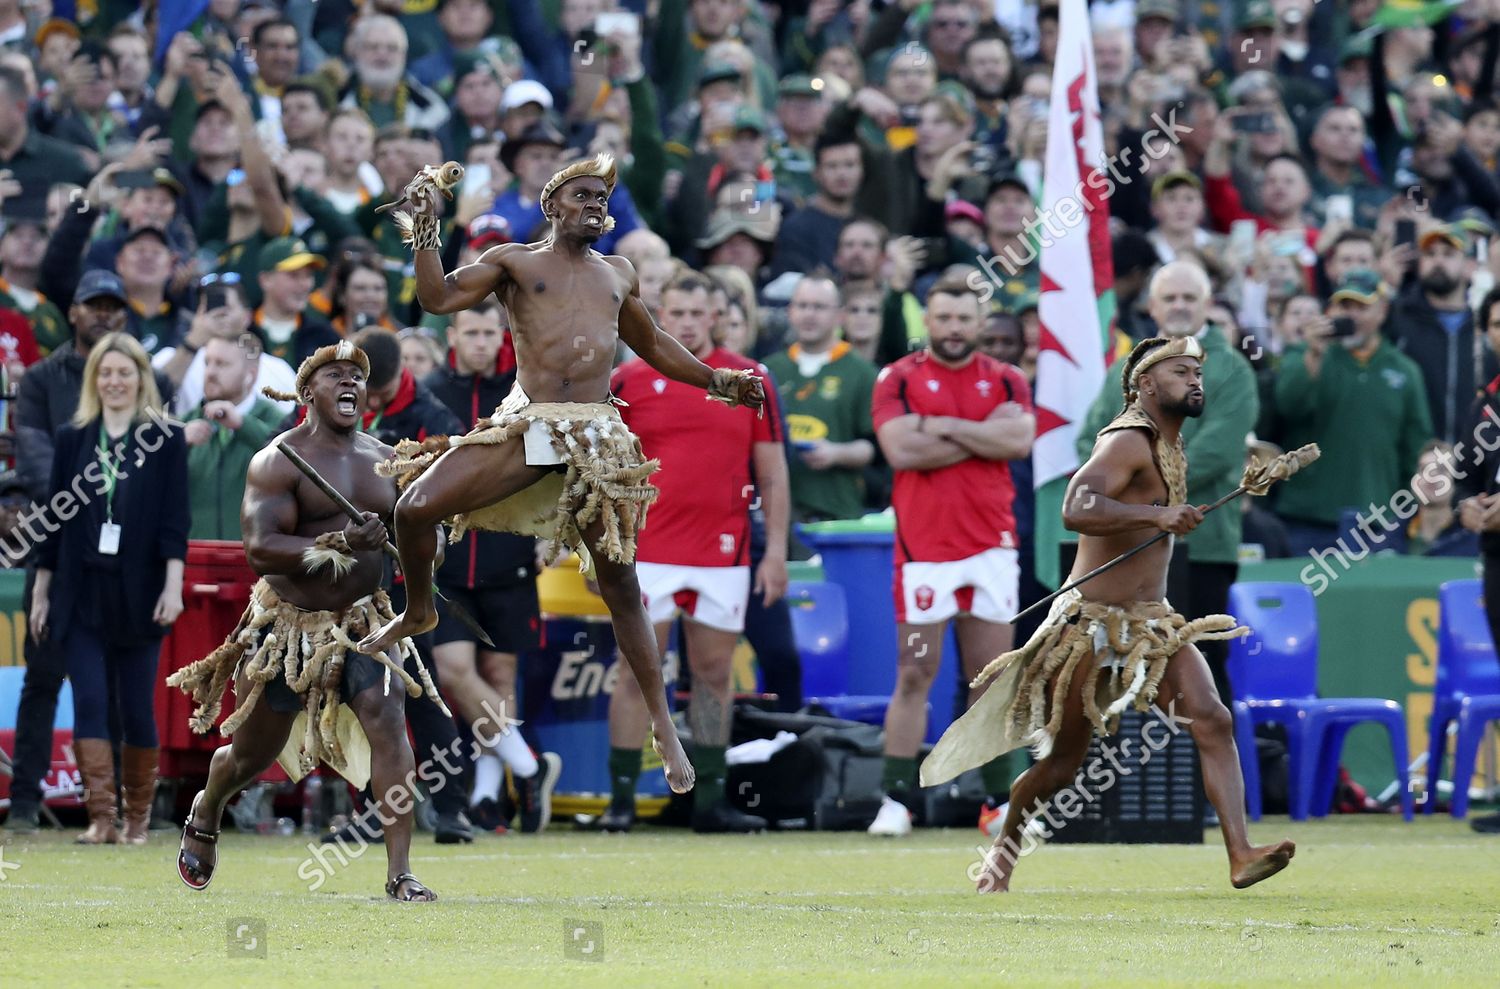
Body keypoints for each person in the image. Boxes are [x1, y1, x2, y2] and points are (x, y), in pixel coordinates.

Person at [354, 152, 765, 798]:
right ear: (550, 206)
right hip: (532, 422)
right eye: (581, 195)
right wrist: (427, 232)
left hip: (596, 429)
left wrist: (718, 381)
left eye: (602, 197)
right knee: (413, 508)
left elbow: (653, 344)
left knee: (621, 584)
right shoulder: (515, 262)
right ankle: (420, 610)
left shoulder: (619, 272)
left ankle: (663, 722)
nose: (595, 205)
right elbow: (435, 299)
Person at [922, 336, 1296, 893]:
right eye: (1179, 372)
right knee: (1062, 765)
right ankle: (1003, 853)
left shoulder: (1171, 443)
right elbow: (1076, 506)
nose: (1195, 380)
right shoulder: (1127, 440)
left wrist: (1163, 514)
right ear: (1146, 384)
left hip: (1153, 621)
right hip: (1089, 624)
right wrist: (1158, 513)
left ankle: (1240, 854)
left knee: (1212, 717)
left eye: (1197, 372)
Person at [167, 341, 451, 901]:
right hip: (289, 628)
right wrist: (342, 541)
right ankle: (209, 804)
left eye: (357, 376)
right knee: (250, 754)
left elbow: (430, 534)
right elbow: (261, 548)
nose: (350, 384)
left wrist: (418, 545)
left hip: (367, 619)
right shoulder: (277, 459)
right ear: (307, 393)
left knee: (388, 721)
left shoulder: (387, 460)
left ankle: (400, 872)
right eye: (334, 376)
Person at [605, 271, 789, 833]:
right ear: (662, 315)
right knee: (638, 672)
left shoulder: (749, 378)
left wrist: (776, 548)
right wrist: (600, 553)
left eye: (697, 313)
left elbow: (774, 473)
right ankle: (620, 802)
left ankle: (708, 800)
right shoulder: (628, 380)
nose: (687, 322)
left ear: (717, 315)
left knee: (713, 674)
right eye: (676, 313)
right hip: (648, 550)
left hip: (723, 551)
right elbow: (603, 473)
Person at [866, 275, 1035, 838]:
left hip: (991, 550)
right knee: (915, 673)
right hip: (924, 555)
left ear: (980, 323)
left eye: (964, 319)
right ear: (928, 321)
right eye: (943, 318)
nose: (954, 329)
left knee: (990, 677)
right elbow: (899, 449)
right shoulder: (898, 379)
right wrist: (980, 435)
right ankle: (895, 800)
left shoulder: (1008, 381)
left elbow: (1018, 441)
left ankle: (996, 802)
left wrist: (942, 427)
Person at [30, 331, 187, 844]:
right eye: (105, 372)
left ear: (142, 378)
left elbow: (173, 522)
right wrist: (41, 593)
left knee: (137, 706)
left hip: (141, 594)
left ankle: (137, 819)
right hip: (81, 593)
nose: (114, 381)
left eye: (124, 372)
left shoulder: (165, 438)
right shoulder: (73, 437)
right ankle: (101, 817)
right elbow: (53, 520)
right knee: (91, 702)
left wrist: (173, 587)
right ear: (94, 380)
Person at [422, 301, 561, 834]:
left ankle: (487, 797)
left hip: (509, 554)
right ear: (452, 334)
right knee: (456, 672)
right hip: (450, 561)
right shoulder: (434, 394)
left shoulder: (521, 392)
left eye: (489, 332)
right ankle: (529, 766)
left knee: (501, 675)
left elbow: (551, 466)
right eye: (470, 331)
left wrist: (551, 531)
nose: (481, 341)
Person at [183, 334, 285, 540]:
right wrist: (178, 443)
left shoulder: (278, 421)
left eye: (221, 364)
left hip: (257, 560)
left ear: (251, 375)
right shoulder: (183, 424)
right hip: (195, 558)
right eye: (207, 363)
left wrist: (242, 424)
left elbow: (291, 461)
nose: (210, 372)